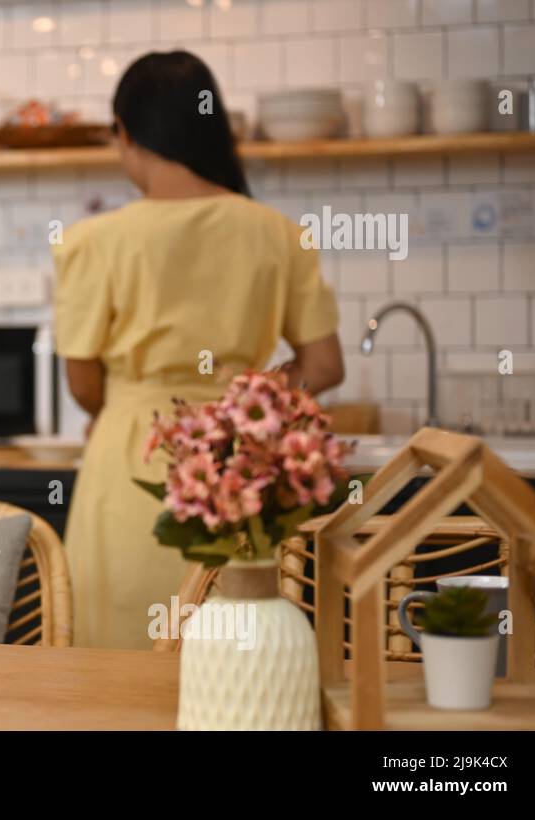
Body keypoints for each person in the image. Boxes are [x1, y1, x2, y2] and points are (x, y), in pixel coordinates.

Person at [53, 51, 345, 649]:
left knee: (119, 647)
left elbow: (82, 384)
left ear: (126, 135)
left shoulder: (94, 242)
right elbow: (323, 366)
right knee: (237, 643)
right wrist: (250, 400)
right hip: (238, 466)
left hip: (129, 458)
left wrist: (131, 404)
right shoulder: (280, 235)